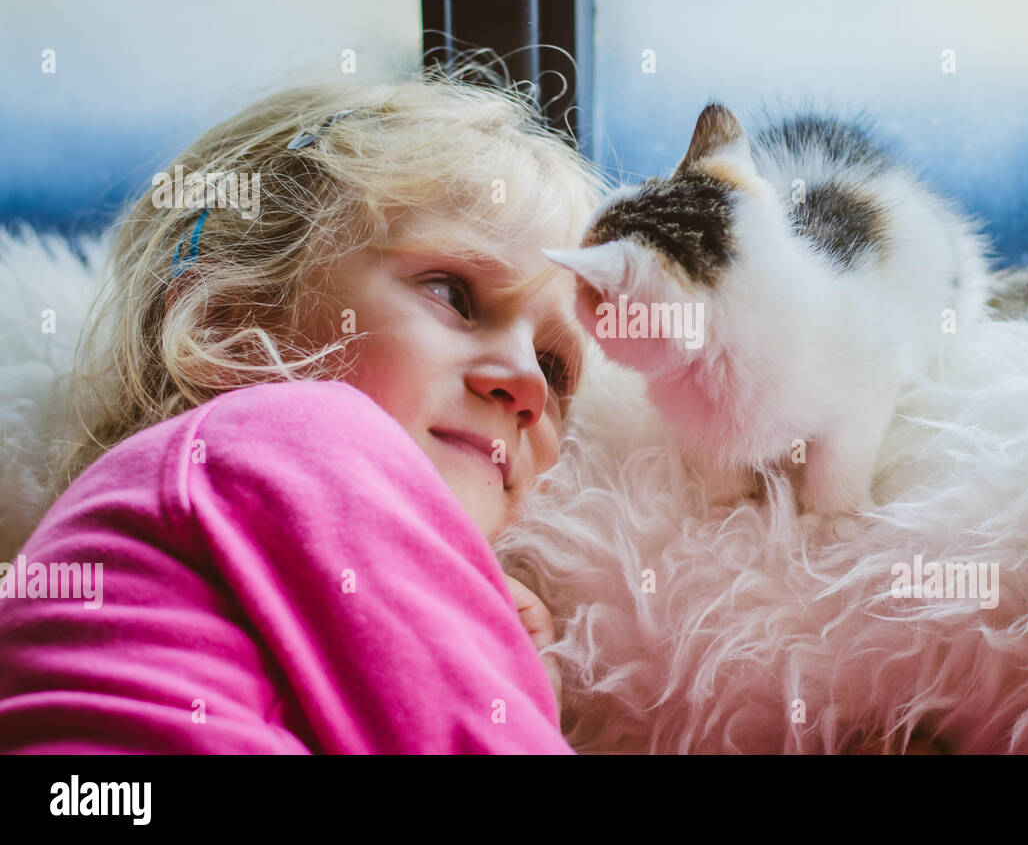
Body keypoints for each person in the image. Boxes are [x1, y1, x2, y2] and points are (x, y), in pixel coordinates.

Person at [0, 60, 604, 753]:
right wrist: (516, 703)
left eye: (556, 368)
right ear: (227, 320)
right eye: (453, 294)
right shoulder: (294, 436)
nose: (525, 382)